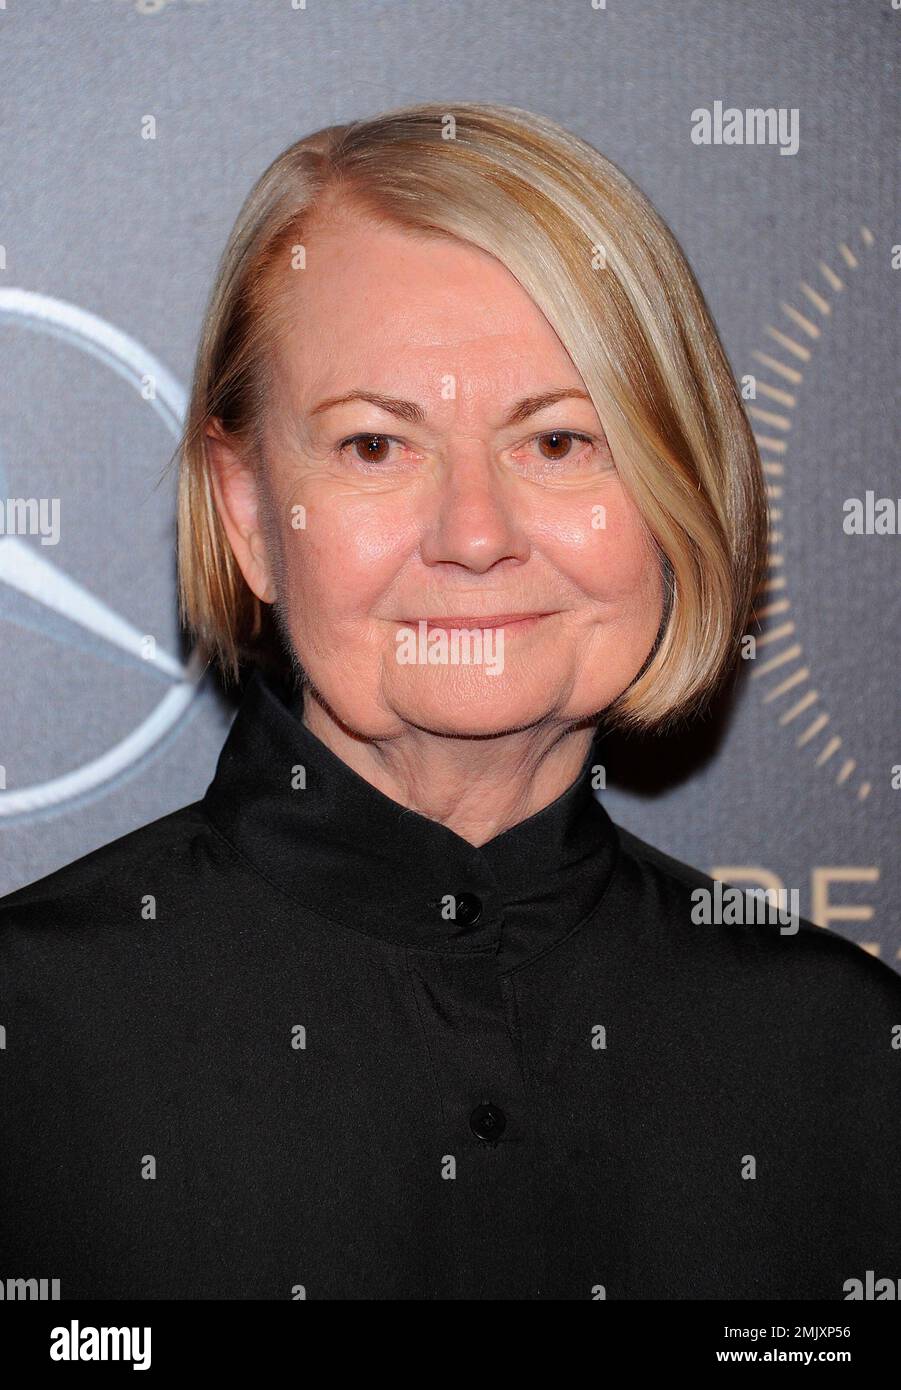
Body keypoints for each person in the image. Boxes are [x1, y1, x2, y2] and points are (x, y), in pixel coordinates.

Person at [1, 102, 898, 1300]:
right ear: (252, 514)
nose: (474, 534)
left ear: (680, 486)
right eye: (376, 446)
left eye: (562, 442)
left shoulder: (847, 1062)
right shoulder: (30, 1045)